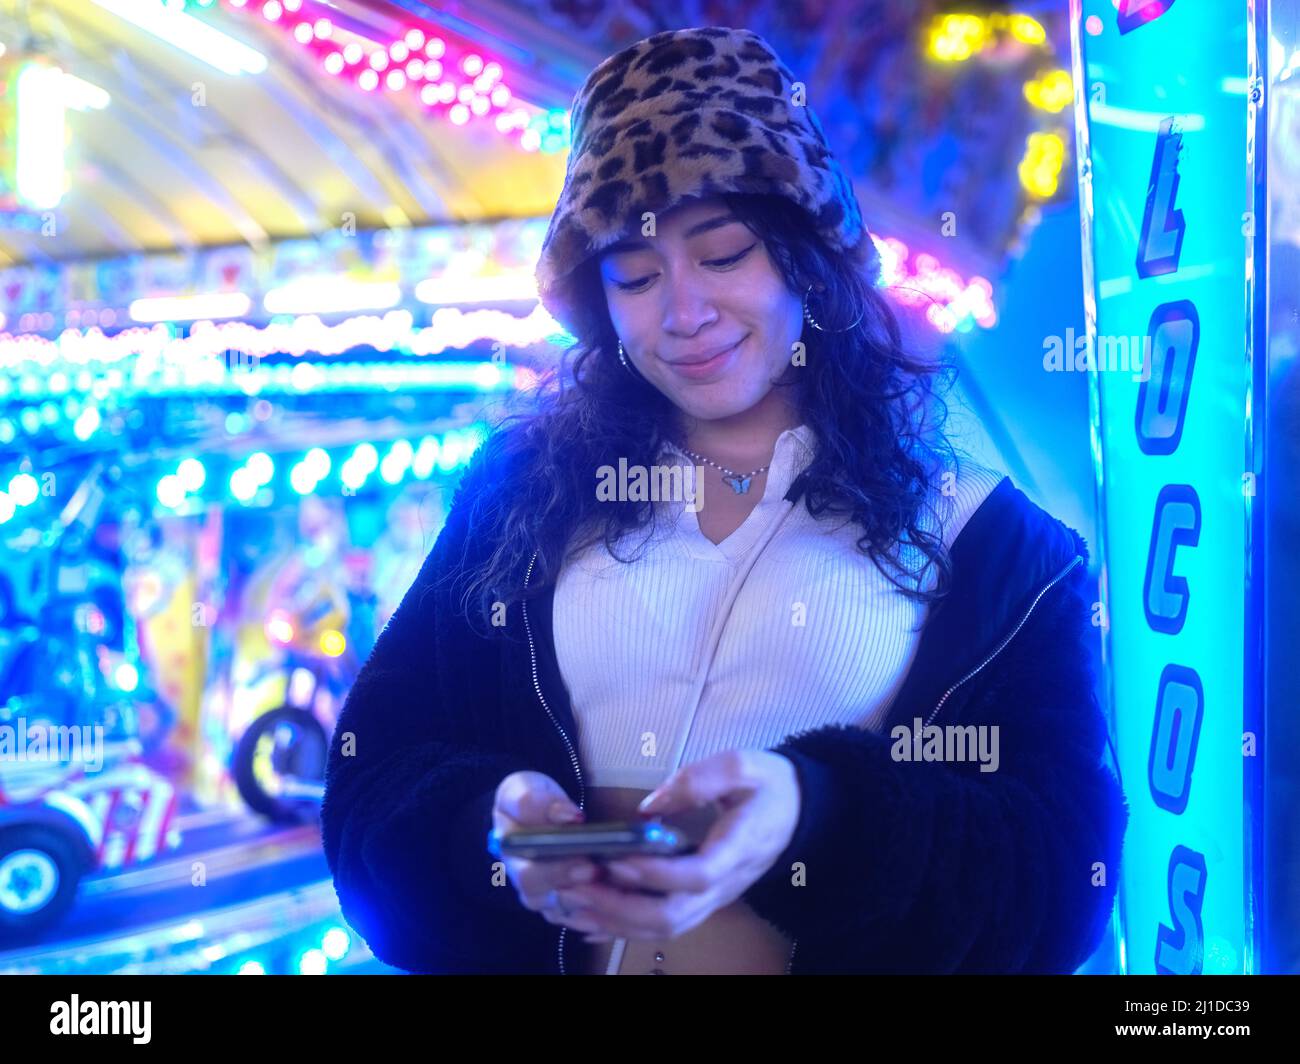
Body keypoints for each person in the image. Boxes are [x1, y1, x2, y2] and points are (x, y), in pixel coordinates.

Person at [320, 25, 1128, 975]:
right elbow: (374, 775)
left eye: (724, 252)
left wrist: (816, 817)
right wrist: (485, 829)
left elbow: (1058, 874)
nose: (684, 311)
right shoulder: (516, 502)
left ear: (806, 252)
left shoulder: (999, 548)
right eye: (634, 273)